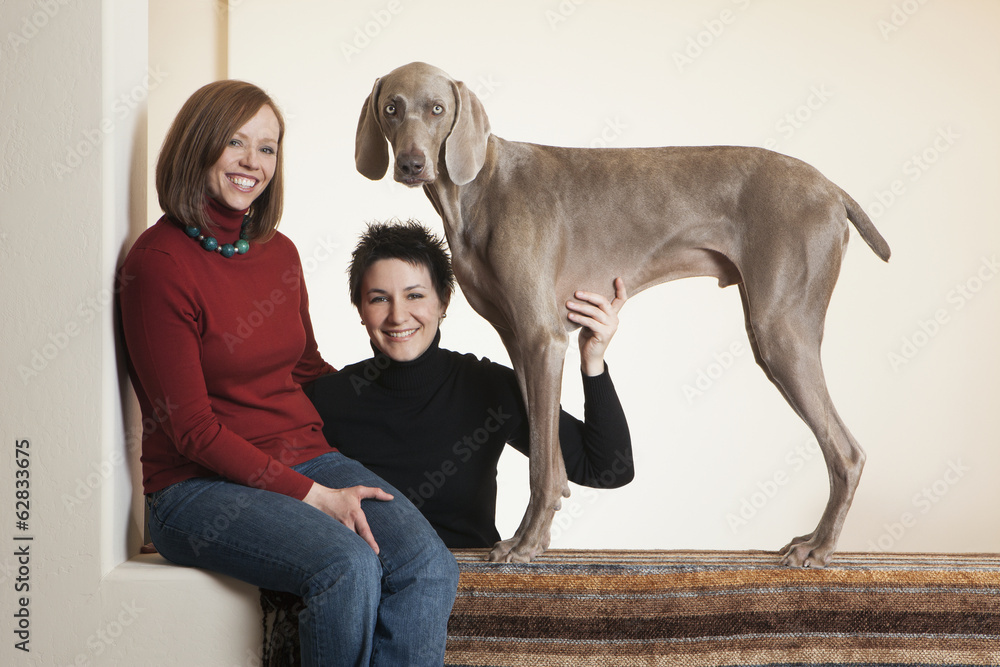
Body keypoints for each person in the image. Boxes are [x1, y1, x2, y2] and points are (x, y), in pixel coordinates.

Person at [118, 81, 458, 666]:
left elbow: (306, 369)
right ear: (197, 146)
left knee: (428, 563)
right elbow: (191, 430)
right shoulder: (158, 265)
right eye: (235, 142)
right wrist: (311, 496)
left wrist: (407, 396)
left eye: (268, 148)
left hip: (307, 455)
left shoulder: (279, 252)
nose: (254, 162)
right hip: (194, 489)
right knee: (345, 565)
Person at [309, 220, 634, 549]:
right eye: (379, 299)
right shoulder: (327, 399)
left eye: (415, 295)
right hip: (372, 585)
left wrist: (593, 362)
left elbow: (607, 467)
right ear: (360, 309)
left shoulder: (487, 387)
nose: (398, 315)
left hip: (474, 586)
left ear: (443, 301)